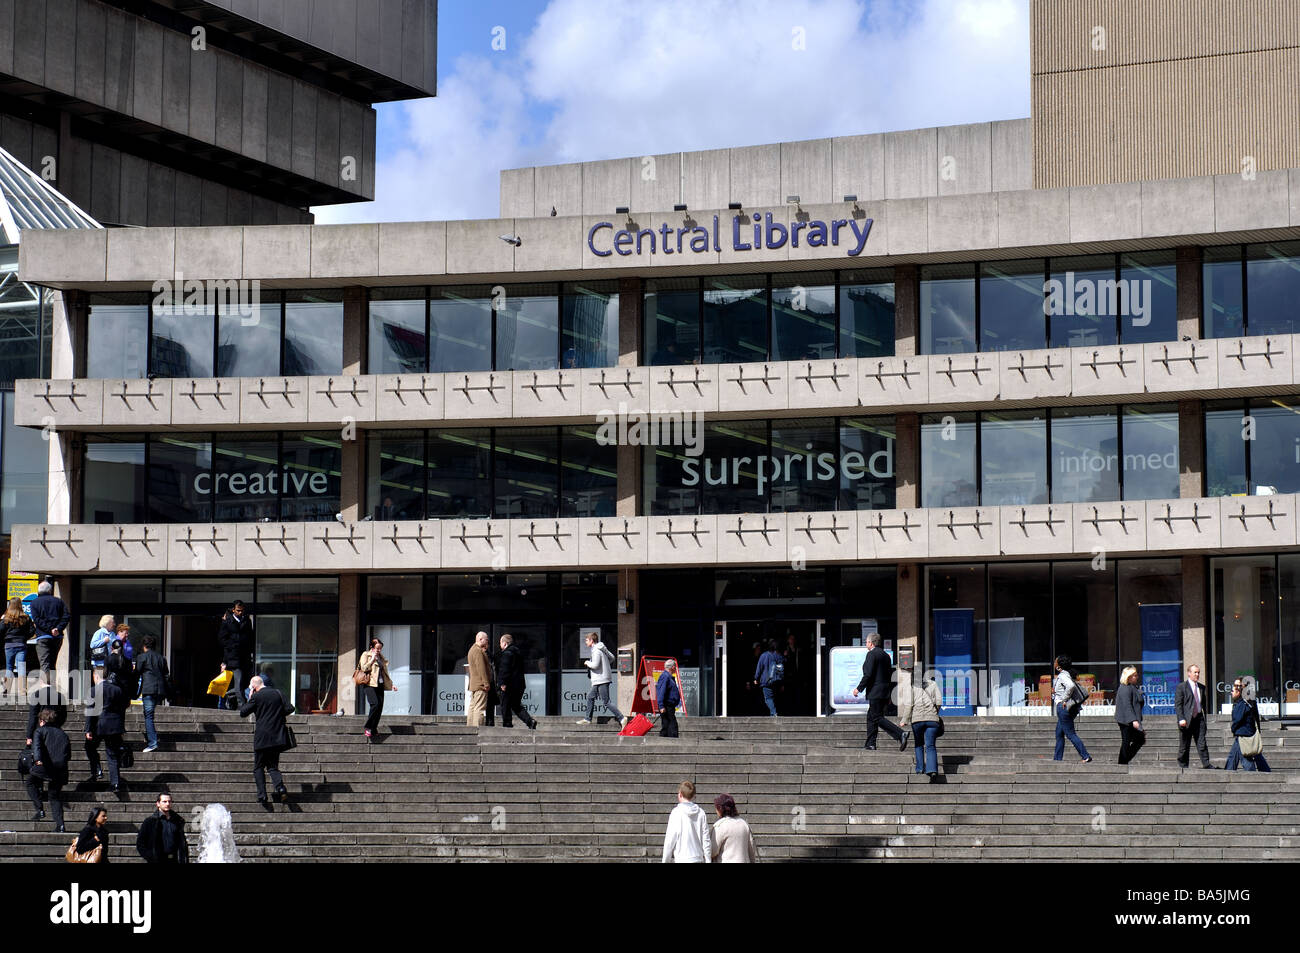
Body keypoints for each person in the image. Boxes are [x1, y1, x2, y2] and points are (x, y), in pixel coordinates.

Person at [238, 675, 295, 806]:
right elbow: (290, 708)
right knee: (273, 766)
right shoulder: (278, 692)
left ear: (254, 686)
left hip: (262, 737)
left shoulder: (256, 697)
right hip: (277, 737)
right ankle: (281, 788)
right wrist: (276, 715)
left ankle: (262, 796)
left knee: (258, 767)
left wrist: (250, 697)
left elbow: (243, 712)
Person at [851, 633, 908, 751]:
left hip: (875, 692)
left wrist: (858, 688)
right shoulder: (886, 656)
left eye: (866, 642)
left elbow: (868, 674)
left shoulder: (871, 654)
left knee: (876, 717)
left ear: (871, 643)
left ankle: (900, 733)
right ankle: (870, 744)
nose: (866, 644)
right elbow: (889, 675)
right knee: (871, 716)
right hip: (884, 691)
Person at [25, 707, 69, 831]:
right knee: (54, 796)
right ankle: (60, 825)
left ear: (42, 720)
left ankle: (40, 809)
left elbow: (37, 747)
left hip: (45, 765)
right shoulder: (63, 733)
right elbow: (68, 753)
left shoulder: (40, 731)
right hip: (60, 768)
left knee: (30, 783)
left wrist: (38, 759)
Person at [84, 670, 128, 792]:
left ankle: (97, 769)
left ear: (96, 676)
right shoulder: (117, 690)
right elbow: (122, 709)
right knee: (112, 755)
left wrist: (88, 729)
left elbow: (90, 711)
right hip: (114, 726)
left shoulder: (93, 690)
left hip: (99, 725)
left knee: (89, 747)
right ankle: (115, 783)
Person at [899, 667, 944, 780]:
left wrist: (904, 720)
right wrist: (934, 713)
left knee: (919, 744)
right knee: (930, 746)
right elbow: (938, 701)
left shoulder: (912, 687)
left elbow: (909, 705)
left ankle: (920, 768)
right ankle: (932, 769)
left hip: (917, 720)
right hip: (932, 720)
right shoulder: (933, 684)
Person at [577, 632, 626, 726]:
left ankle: (622, 718)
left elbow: (595, 665)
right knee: (590, 696)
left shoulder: (596, 650)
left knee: (606, 702)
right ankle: (587, 719)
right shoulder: (602, 649)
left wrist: (587, 662)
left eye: (587, 640)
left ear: (591, 640)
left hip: (601, 679)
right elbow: (612, 658)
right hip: (601, 679)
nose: (585, 642)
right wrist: (605, 665)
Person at [1051, 655, 1092, 763]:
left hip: (1063, 707)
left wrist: (1063, 699)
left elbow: (1070, 686)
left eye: (1055, 661)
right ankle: (1057, 759)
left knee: (1070, 734)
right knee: (1059, 733)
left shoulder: (1063, 676)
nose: (1054, 663)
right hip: (1068, 707)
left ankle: (1085, 756)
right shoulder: (1067, 674)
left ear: (1059, 665)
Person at [1224, 679, 1270, 772]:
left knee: (1246, 758)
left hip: (1244, 734)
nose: (1235, 688)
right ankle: (1228, 771)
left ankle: (1254, 774)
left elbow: (1238, 719)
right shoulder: (1247, 701)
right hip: (1245, 733)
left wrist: (1233, 728)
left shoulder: (1244, 702)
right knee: (1235, 755)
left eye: (1237, 686)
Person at [135, 635, 170, 753]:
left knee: (148, 716)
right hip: (159, 690)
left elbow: (137, 672)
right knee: (150, 714)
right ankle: (153, 739)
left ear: (144, 646)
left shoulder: (141, 657)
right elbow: (166, 674)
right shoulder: (161, 658)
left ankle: (152, 742)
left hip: (148, 689)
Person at [1174, 663, 1214, 769]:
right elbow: (1178, 705)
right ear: (1189, 673)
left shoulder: (1202, 687)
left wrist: (1205, 719)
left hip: (1199, 719)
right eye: (1195, 672)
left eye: (1198, 672)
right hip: (1186, 720)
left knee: (1202, 743)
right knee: (1184, 745)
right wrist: (1181, 718)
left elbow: (1203, 704)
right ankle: (1183, 765)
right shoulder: (1181, 687)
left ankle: (1206, 763)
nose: (1197, 674)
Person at [661, 780, 711, 863]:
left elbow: (670, 840)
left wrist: (665, 860)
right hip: (697, 858)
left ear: (680, 794)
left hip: (681, 859)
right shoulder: (701, 813)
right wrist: (708, 860)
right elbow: (706, 840)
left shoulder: (676, 813)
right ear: (694, 796)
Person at [357, 637, 396, 743]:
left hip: (380, 684)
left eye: (380, 649)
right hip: (369, 684)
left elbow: (384, 673)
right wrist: (371, 660)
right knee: (375, 704)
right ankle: (368, 727)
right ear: (371, 647)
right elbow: (364, 668)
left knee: (380, 707)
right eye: (377, 648)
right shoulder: (366, 655)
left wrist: (391, 684)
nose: (378, 651)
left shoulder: (381, 658)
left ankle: (373, 729)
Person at [217, 600, 254, 709]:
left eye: (242, 611)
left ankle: (229, 694)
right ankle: (242, 705)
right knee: (239, 680)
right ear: (233, 610)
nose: (240, 613)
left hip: (244, 657)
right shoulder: (227, 621)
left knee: (244, 683)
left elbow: (250, 638)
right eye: (238, 611)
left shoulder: (247, 621)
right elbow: (222, 639)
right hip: (233, 657)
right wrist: (233, 645)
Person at [497, 633, 537, 730]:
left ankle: (507, 725)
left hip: (509, 685)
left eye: (500, 643)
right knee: (516, 705)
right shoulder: (518, 653)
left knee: (505, 705)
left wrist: (502, 683)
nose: (499, 645)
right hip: (519, 685)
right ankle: (530, 721)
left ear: (505, 643)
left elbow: (504, 669)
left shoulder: (507, 653)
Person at [29, 580, 69, 675]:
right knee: (52, 663)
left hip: (43, 636)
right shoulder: (59, 602)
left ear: (38, 591)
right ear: (50, 590)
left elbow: (37, 620)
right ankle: (52, 687)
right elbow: (66, 616)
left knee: (44, 663)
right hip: (57, 637)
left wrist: (49, 629)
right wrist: (57, 629)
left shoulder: (34, 603)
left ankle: (46, 687)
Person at [136, 792, 189, 863]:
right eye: (164, 801)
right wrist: (151, 857)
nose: (167, 804)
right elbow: (140, 844)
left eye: (169, 801)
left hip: (174, 860)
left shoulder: (178, 821)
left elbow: (182, 843)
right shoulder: (150, 821)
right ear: (158, 804)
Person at [710, 794, 758, 863]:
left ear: (720, 809)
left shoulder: (720, 826)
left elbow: (713, 851)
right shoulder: (744, 824)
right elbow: (751, 849)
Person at [1115, 666, 1146, 765]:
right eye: (1135, 675)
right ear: (1129, 677)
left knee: (1137, 739)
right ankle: (1122, 762)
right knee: (1127, 741)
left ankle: (1124, 761)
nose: (1137, 677)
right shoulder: (1124, 688)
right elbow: (1127, 705)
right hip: (1126, 720)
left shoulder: (1132, 687)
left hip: (1131, 719)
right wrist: (1134, 720)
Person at [3, 597, 34, 686]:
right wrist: (25, 638)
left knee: (9, 667)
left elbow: (1, 630)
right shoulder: (26, 618)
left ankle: (7, 689)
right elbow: (32, 630)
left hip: (9, 645)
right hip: (21, 644)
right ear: (20, 605)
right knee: (21, 667)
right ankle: (22, 691)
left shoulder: (6, 618)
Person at [466, 631, 492, 727]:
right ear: (481, 639)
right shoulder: (477, 651)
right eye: (486, 639)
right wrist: (486, 683)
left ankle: (470, 729)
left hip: (474, 684)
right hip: (480, 685)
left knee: (473, 707)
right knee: (479, 708)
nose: (487, 641)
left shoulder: (472, 649)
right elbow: (481, 668)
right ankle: (477, 729)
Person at [754, 639, 785, 716]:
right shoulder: (780, 656)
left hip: (766, 681)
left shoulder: (764, 655)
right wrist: (782, 684)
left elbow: (759, 668)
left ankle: (774, 713)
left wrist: (756, 678)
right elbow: (781, 670)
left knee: (768, 699)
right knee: (773, 698)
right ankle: (772, 715)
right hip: (776, 681)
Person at [657, 659, 682, 738]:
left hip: (670, 705)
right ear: (672, 667)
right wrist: (661, 706)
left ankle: (667, 740)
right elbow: (661, 691)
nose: (675, 669)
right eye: (675, 667)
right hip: (666, 705)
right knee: (671, 725)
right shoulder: (665, 676)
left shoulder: (669, 677)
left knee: (668, 725)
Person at [89, 614, 115, 681]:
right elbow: (92, 645)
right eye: (113, 623)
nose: (114, 624)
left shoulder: (112, 634)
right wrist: (104, 641)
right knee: (100, 682)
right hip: (99, 662)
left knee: (108, 682)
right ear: (107, 623)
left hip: (109, 662)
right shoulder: (99, 633)